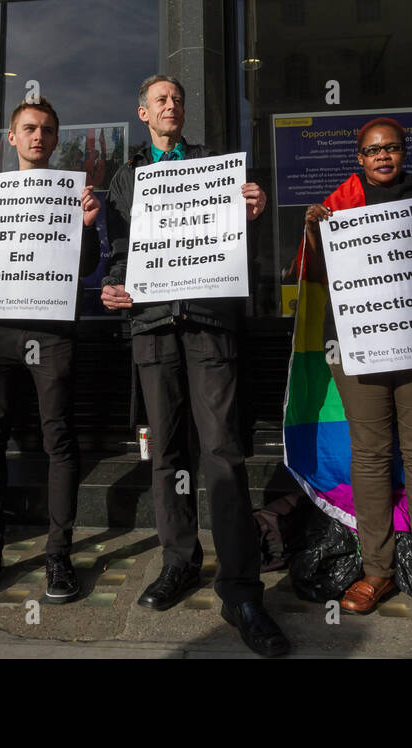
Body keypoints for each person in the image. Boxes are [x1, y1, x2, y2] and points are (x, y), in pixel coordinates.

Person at [101, 74, 289, 657]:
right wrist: (111, 286)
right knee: (164, 452)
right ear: (142, 113)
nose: (171, 105)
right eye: (160, 99)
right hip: (153, 326)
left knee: (224, 452)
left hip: (209, 324)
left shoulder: (217, 168)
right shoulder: (124, 179)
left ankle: (240, 589)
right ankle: (179, 561)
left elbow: (240, 242)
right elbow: (116, 256)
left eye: (178, 98)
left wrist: (254, 208)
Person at [301, 118, 412, 624]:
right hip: (356, 346)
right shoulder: (340, 213)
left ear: (404, 153)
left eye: (392, 148)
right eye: (372, 150)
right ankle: (377, 570)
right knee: (371, 455)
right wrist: (314, 231)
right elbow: (315, 276)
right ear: (359, 159)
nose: (383, 156)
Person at [0, 98, 101, 604]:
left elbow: (84, 270)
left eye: (48, 130)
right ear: (12, 138)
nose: (39, 136)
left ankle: (59, 554)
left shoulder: (73, 194)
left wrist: (87, 228)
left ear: (57, 140)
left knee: (58, 437)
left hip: (52, 330)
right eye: (29, 129)